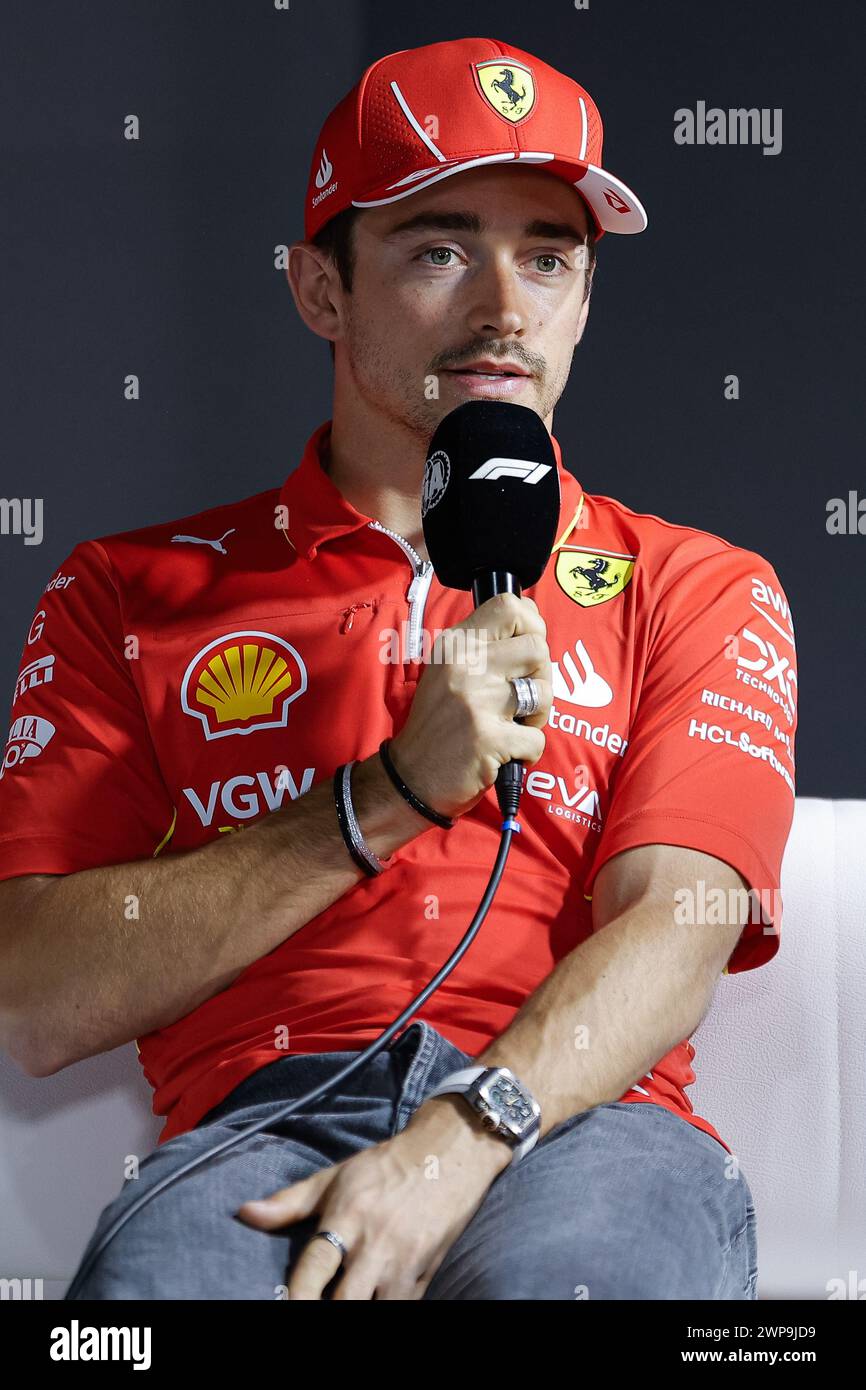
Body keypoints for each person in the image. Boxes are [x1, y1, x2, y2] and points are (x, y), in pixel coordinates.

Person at [0, 36, 797, 1301]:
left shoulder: (694, 582)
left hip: (577, 1130)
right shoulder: (126, 592)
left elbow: (674, 927)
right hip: (259, 1133)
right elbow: (31, 998)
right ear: (320, 290)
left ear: (585, 297)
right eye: (439, 248)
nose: (502, 305)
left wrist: (459, 1139)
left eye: (548, 257)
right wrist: (384, 799)